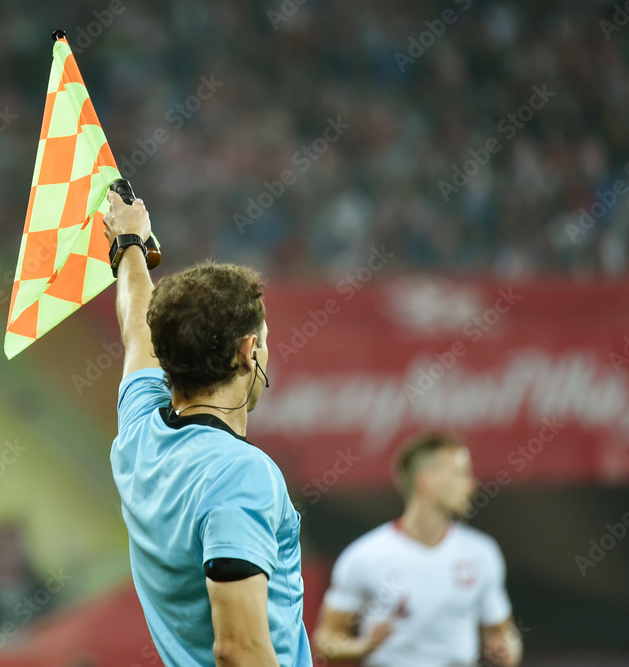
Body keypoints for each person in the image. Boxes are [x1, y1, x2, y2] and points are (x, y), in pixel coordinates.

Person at [103, 190, 311, 666]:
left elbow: (137, 327)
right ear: (246, 352)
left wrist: (129, 243)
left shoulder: (139, 431)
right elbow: (238, 648)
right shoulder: (240, 475)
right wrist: (130, 241)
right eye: (264, 341)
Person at [313, 433, 522, 666]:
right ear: (426, 481)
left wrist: (507, 649)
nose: (471, 484)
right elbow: (326, 641)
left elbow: (502, 634)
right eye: (460, 474)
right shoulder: (364, 557)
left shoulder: (481, 553)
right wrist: (363, 646)